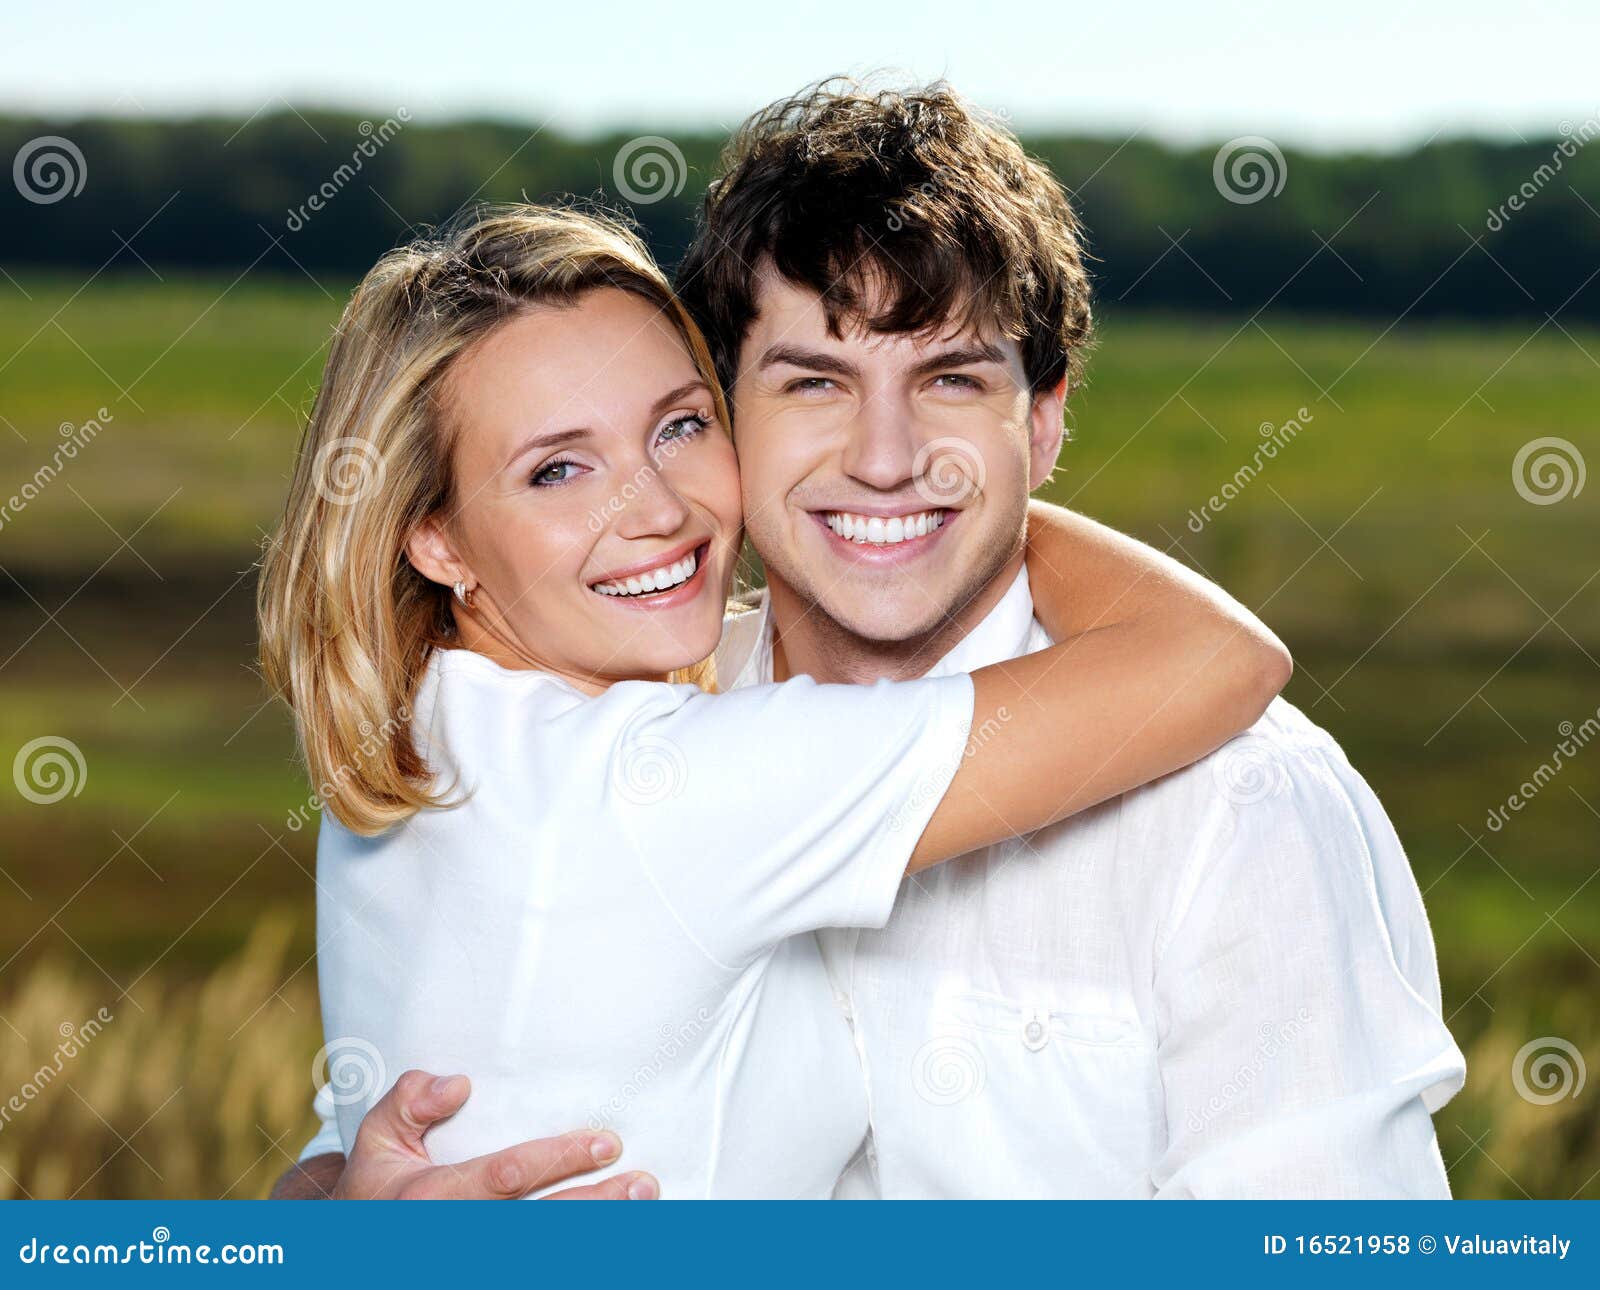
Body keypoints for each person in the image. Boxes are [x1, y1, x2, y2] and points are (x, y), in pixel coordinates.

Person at [259, 202, 1290, 1199]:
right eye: (558, 470)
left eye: (679, 427)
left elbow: (379, 1125)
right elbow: (1216, 660)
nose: (655, 508)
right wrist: (961, 486)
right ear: (431, 535)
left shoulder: (423, 743)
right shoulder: (664, 785)